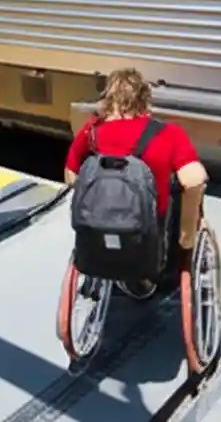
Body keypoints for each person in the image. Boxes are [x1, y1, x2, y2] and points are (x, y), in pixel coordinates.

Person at [64, 68, 209, 300]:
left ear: (107, 100)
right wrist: (186, 237)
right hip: (149, 239)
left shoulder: (90, 133)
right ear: (144, 101)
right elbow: (194, 180)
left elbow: (71, 176)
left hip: (95, 235)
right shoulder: (169, 134)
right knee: (178, 192)